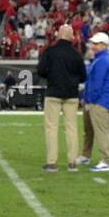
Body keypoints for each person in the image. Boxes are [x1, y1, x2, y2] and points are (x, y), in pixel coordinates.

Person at [37, 24, 87, 172]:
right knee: (72, 128)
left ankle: (52, 163)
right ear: (72, 37)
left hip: (53, 93)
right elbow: (83, 76)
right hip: (71, 95)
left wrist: (52, 77)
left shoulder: (50, 51)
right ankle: (72, 162)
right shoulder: (76, 54)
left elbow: (40, 71)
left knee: (51, 128)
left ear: (58, 35)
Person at [80, 32, 109, 171]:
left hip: (99, 102)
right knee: (108, 131)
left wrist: (90, 102)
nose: (93, 46)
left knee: (102, 132)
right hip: (105, 100)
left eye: (96, 44)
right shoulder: (104, 59)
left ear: (104, 45)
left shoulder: (102, 61)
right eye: (93, 43)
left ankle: (107, 161)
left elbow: (96, 85)